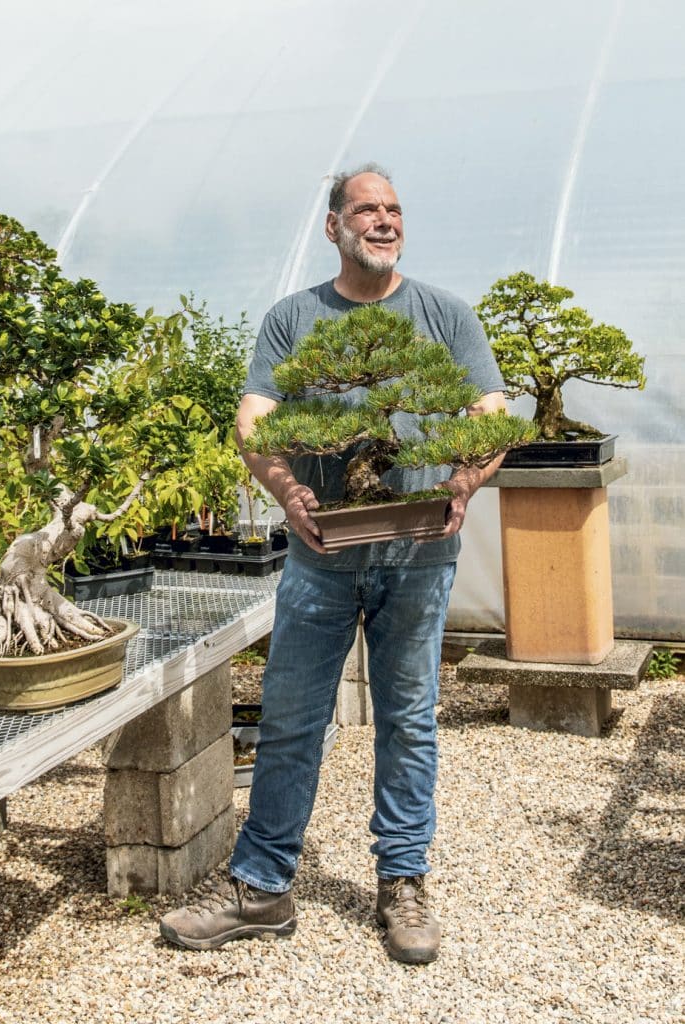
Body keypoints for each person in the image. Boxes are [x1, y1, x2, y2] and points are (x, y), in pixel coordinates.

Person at [160, 163, 506, 964]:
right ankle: (264, 885)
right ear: (334, 226)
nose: (383, 222)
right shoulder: (293, 320)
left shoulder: (445, 316)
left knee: (409, 720)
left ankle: (404, 882)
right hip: (320, 558)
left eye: (393, 210)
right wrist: (288, 492)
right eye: (366, 210)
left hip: (420, 552)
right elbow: (253, 421)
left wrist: (461, 479)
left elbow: (490, 414)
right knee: (290, 720)